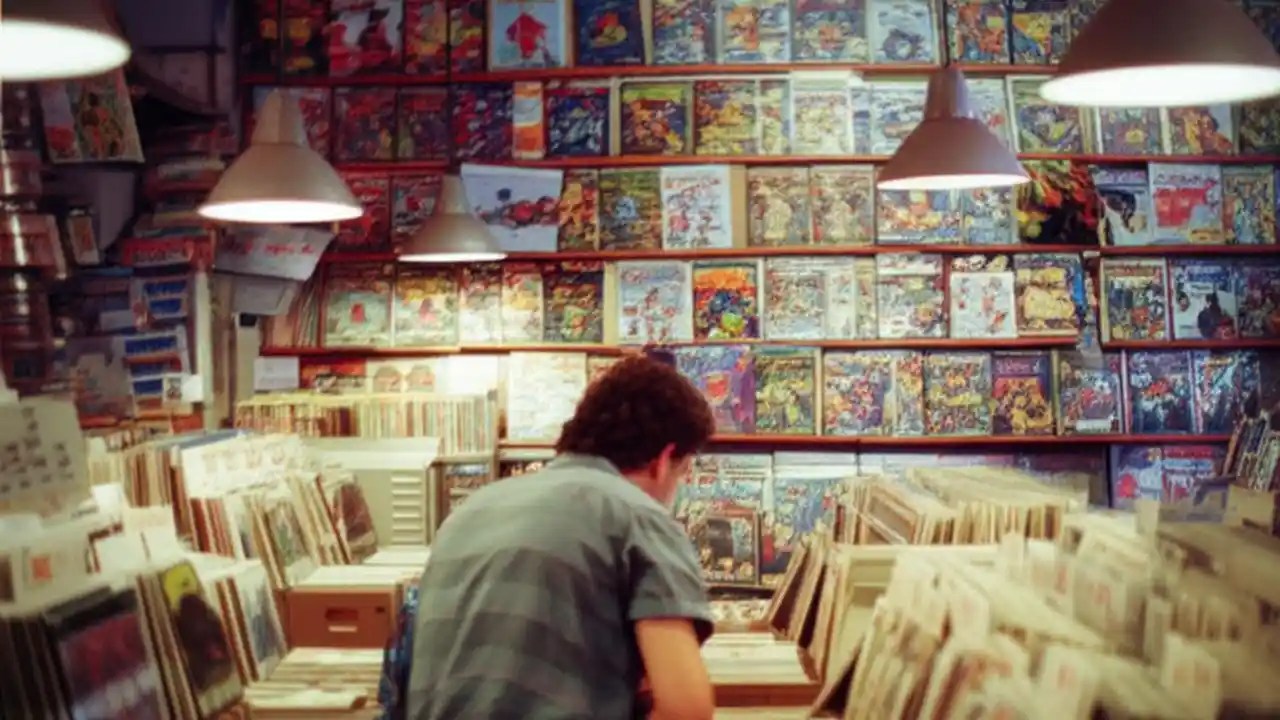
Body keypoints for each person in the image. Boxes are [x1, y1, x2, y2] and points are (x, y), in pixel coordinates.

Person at [406, 355, 718, 720]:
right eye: (682, 472)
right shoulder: (639, 516)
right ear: (663, 460)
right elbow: (687, 710)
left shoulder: (470, 511)